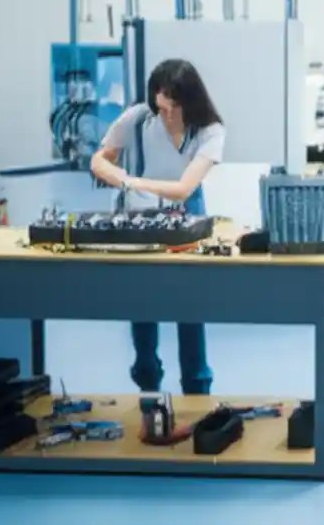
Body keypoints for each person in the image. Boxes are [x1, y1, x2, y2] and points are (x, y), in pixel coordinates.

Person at [90, 58, 226, 395]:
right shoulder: (137, 119)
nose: (166, 116)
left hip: (186, 217)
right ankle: (147, 380)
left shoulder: (210, 132)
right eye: (161, 108)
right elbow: (99, 159)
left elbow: (182, 188)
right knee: (143, 303)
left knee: (189, 305)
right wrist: (113, 174)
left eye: (174, 108)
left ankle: (196, 386)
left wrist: (133, 181)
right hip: (139, 220)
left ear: (191, 103)